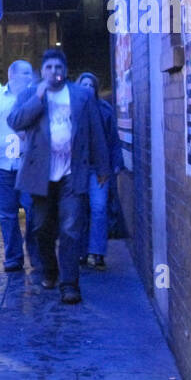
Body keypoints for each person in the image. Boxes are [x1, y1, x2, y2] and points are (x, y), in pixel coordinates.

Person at [7, 48, 110, 305]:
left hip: (72, 174)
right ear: (43, 71)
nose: (55, 72)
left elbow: (96, 131)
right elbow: (15, 121)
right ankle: (50, 270)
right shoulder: (32, 93)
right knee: (41, 227)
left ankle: (69, 284)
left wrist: (103, 168)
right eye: (49, 67)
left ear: (65, 71)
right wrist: (37, 99)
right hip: (40, 175)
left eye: (59, 67)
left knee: (70, 228)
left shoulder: (82, 95)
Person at [0, 59, 40, 273]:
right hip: (1, 164)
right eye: (24, 73)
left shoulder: (35, 97)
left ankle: (36, 255)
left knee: (33, 211)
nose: (29, 77)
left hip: (28, 165)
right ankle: (13, 257)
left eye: (30, 73)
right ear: (11, 75)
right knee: (7, 214)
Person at [75, 72, 121, 270]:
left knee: (99, 209)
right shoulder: (72, 109)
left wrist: (114, 165)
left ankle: (98, 252)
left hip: (99, 169)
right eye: (83, 84)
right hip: (78, 169)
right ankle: (82, 252)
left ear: (95, 88)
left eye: (90, 85)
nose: (87, 87)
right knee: (80, 211)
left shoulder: (105, 109)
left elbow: (113, 140)